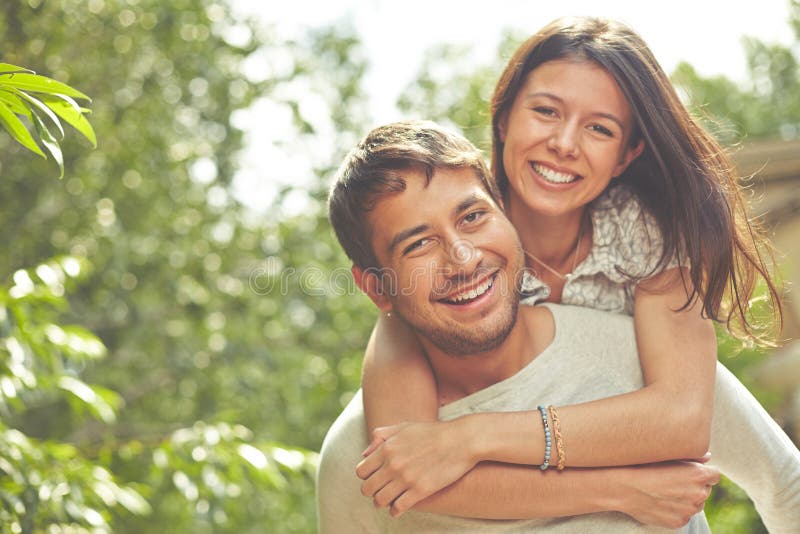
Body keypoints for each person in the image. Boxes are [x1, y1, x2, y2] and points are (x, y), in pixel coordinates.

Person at [356, 15, 785, 517]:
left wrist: (469, 439)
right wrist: (621, 490)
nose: (564, 143)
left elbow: (683, 419)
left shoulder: (645, 233)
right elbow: (405, 465)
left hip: (659, 427)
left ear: (626, 156)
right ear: (503, 118)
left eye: (599, 129)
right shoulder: (456, 251)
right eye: (545, 111)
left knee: (783, 478)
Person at [318, 120, 800, 532]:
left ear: (507, 216)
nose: (462, 259)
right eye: (418, 245)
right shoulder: (356, 459)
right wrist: (619, 489)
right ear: (378, 288)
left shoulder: (637, 358)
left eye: (473, 216)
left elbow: (787, 486)